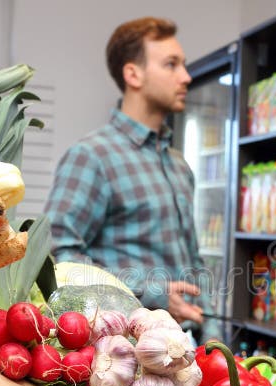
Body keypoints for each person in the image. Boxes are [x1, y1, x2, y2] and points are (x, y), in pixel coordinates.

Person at [45, 16, 219, 339]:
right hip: (123, 354)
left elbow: (194, 261)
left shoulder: (180, 165)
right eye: (171, 64)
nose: (186, 76)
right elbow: (59, 256)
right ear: (133, 74)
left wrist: (214, 336)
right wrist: (151, 292)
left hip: (183, 350)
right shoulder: (91, 156)